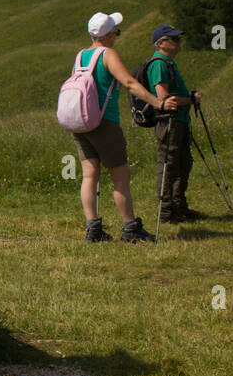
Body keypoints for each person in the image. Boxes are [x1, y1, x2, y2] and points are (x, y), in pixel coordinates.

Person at [72, 12, 177, 243]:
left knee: (89, 175)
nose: (117, 36)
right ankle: (130, 229)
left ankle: (93, 228)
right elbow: (129, 83)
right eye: (116, 32)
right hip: (104, 122)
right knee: (120, 177)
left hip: (80, 122)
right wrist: (158, 102)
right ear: (109, 35)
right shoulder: (107, 54)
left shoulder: (80, 56)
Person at [146, 24, 203, 223]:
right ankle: (167, 212)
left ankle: (179, 206)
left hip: (179, 121)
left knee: (183, 163)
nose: (179, 43)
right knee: (169, 165)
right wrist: (190, 100)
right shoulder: (159, 64)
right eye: (174, 39)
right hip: (169, 122)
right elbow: (164, 98)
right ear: (161, 43)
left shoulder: (168, 62)